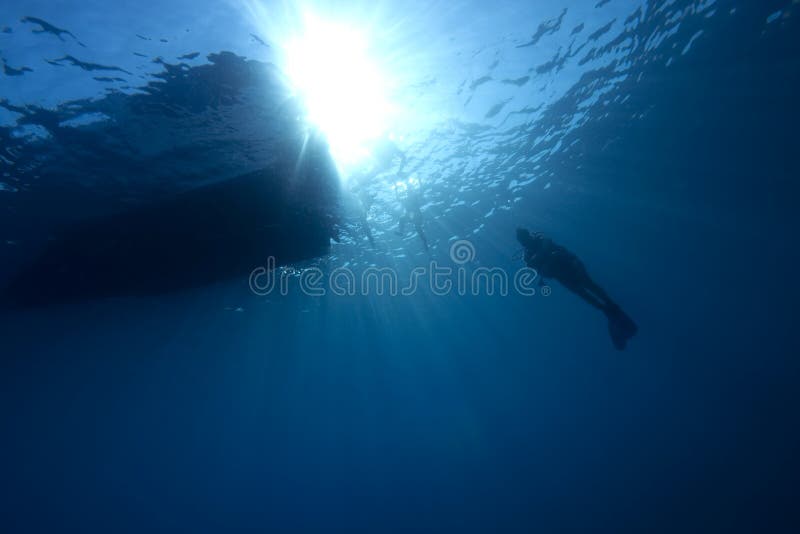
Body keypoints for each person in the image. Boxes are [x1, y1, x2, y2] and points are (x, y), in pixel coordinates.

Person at [516, 228, 638, 350]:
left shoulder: (540, 239)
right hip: (562, 274)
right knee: (584, 292)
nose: (525, 241)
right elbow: (539, 266)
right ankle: (607, 310)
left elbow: (545, 250)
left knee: (589, 286)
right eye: (523, 240)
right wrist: (543, 260)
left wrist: (542, 259)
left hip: (570, 266)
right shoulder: (528, 254)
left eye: (525, 237)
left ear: (528, 235)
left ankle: (610, 307)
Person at [396, 179, 428, 251]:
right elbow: (398, 199)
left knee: (418, 228)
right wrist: (396, 188)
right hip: (412, 215)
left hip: (416, 215)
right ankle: (401, 231)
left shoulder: (413, 197)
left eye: (410, 191)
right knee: (403, 219)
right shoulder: (408, 198)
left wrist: (420, 181)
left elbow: (421, 191)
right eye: (408, 191)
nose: (409, 192)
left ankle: (424, 242)